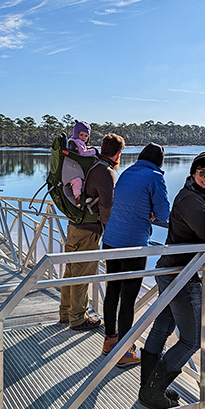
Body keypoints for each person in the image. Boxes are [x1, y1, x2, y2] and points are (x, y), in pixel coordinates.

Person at [138, 150, 205, 409]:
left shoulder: (197, 196)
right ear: (193, 172)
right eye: (203, 173)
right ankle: (153, 392)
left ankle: (149, 387)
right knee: (191, 340)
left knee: (162, 328)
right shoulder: (192, 199)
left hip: (171, 270)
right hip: (182, 273)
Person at [100, 143, 170, 367]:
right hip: (132, 244)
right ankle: (124, 351)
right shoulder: (154, 177)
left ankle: (109, 341)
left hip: (110, 240)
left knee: (113, 290)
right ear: (160, 161)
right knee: (129, 297)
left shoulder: (127, 172)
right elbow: (163, 213)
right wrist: (150, 213)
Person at [59, 132, 125, 330]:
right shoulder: (105, 172)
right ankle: (78, 319)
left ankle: (66, 313)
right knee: (83, 274)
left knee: (70, 271)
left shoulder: (93, 164)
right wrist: (110, 232)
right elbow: (107, 207)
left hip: (74, 225)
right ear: (119, 153)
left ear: (102, 148)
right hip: (88, 230)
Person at [67, 120, 97, 205]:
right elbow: (83, 153)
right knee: (78, 181)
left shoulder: (76, 142)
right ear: (76, 134)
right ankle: (77, 198)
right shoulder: (77, 142)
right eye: (81, 135)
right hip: (71, 171)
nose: (83, 137)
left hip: (74, 168)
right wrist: (94, 151)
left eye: (86, 136)